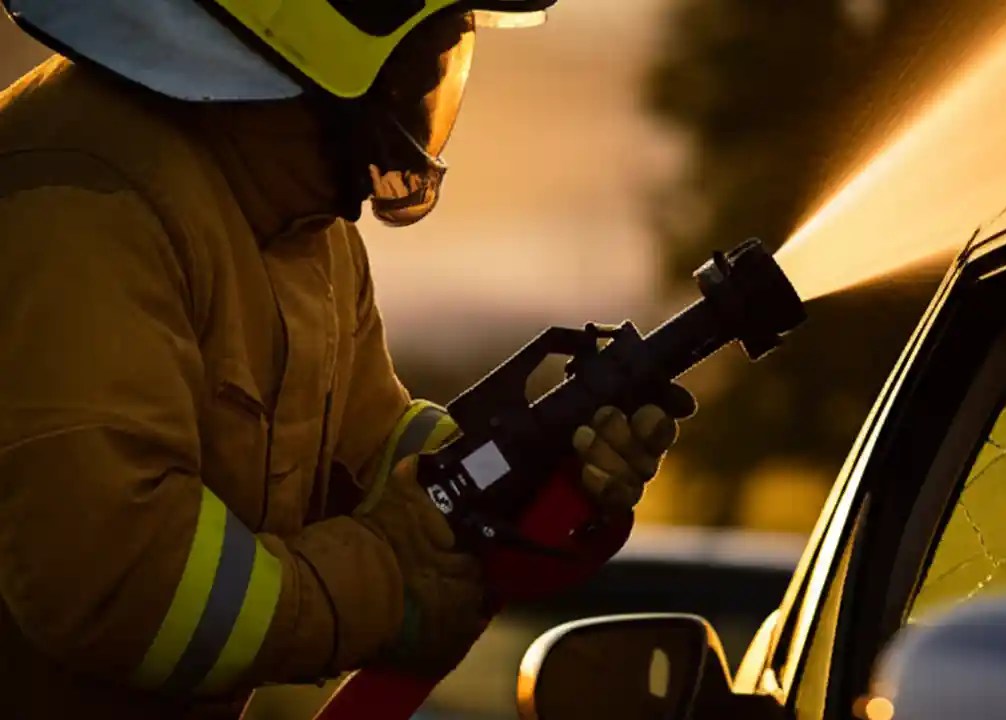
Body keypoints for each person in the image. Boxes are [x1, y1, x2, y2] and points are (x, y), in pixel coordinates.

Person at [0, 1, 696, 718]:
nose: (426, 94)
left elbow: (369, 462)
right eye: (420, 63)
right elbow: (115, 579)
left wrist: (544, 462)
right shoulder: (77, 204)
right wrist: (390, 586)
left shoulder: (296, 222)